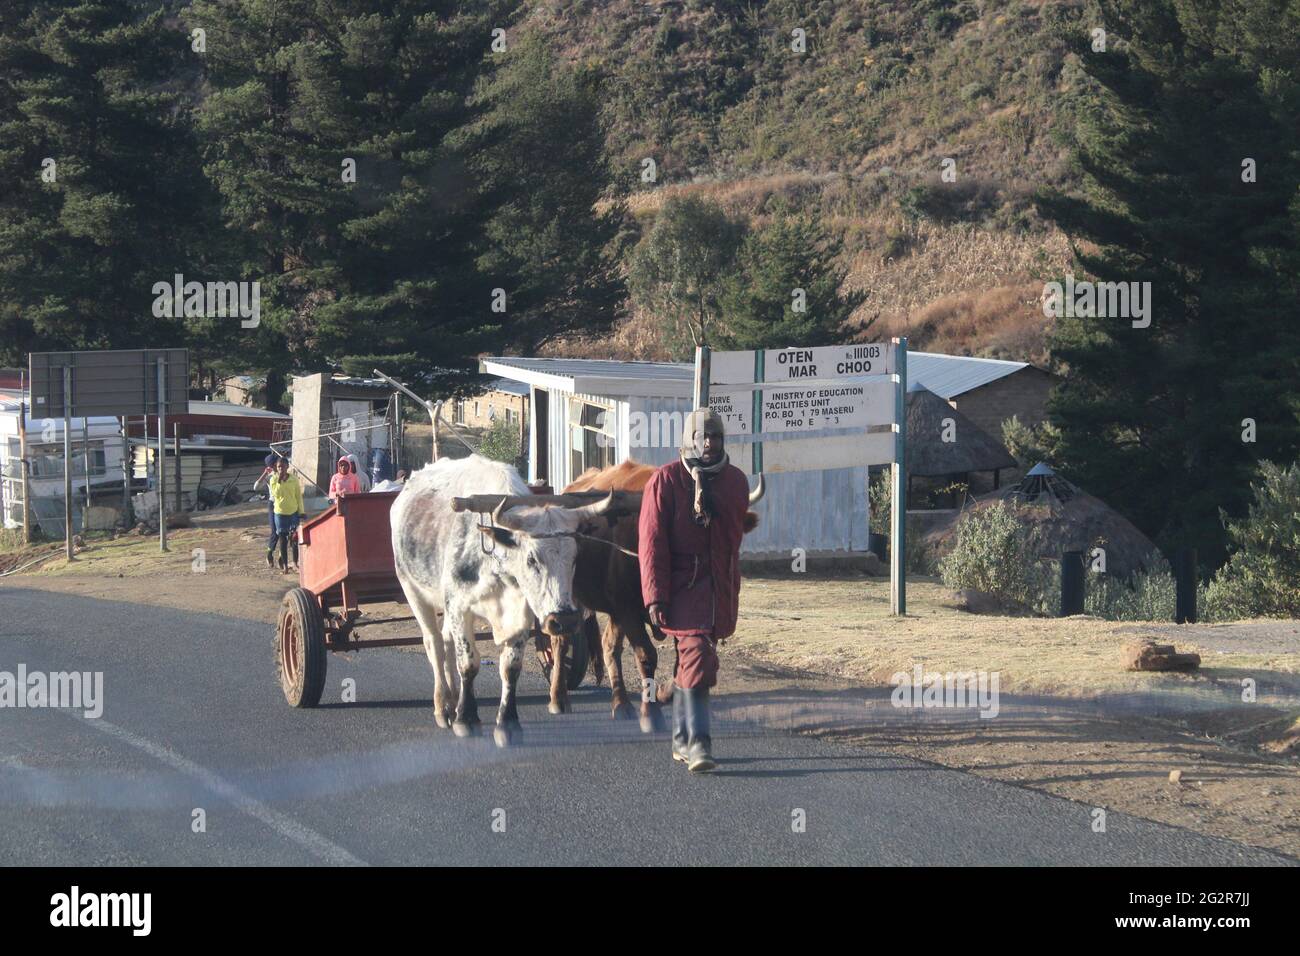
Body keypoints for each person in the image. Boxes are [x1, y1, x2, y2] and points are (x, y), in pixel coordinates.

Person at [638, 408, 750, 773]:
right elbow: (651, 543)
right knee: (699, 654)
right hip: (680, 585)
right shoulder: (665, 480)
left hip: (718, 587)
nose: (708, 443)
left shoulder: (734, 482)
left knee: (699, 661)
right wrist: (655, 596)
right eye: (701, 437)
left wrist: (715, 501)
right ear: (688, 439)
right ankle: (701, 744)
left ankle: (680, 738)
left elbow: (732, 542)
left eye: (715, 437)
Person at [268, 457, 306, 572]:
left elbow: (298, 497)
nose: (281, 469)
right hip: (280, 513)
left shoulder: (293, 479)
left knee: (294, 538)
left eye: (283, 467)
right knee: (282, 539)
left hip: (293, 512)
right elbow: (276, 494)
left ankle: (295, 563)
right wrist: (279, 481)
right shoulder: (273, 479)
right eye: (279, 467)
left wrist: (301, 511)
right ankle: (285, 565)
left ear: (287, 467)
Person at [253, 452, 281, 568]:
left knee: (284, 531)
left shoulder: (283, 473)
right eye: (275, 464)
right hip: (273, 504)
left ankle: (281, 556)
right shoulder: (269, 476)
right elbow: (255, 487)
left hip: (284, 504)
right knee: (275, 530)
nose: (277, 466)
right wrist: (264, 473)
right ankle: (269, 553)